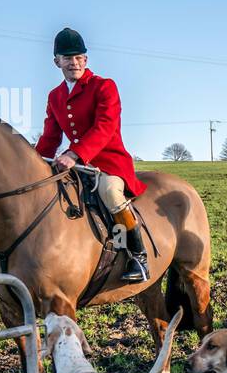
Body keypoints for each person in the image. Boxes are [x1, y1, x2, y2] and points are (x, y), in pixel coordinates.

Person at [36, 27, 150, 283]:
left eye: (78, 57)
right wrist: (32, 163)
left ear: (85, 60)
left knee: (110, 192)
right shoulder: (55, 96)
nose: (73, 62)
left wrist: (74, 154)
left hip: (109, 162)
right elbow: (50, 137)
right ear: (57, 62)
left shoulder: (104, 86)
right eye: (67, 58)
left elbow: (105, 127)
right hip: (76, 165)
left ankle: (138, 257)